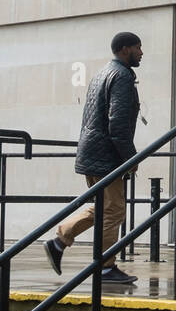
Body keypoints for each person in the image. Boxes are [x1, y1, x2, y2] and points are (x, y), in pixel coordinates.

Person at [43, 32, 143, 285]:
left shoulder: (102, 73)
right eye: (137, 48)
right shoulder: (120, 76)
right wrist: (130, 160)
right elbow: (117, 125)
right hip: (106, 156)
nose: (141, 53)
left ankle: (60, 240)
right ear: (124, 50)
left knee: (105, 207)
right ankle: (106, 267)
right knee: (114, 211)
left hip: (94, 152)